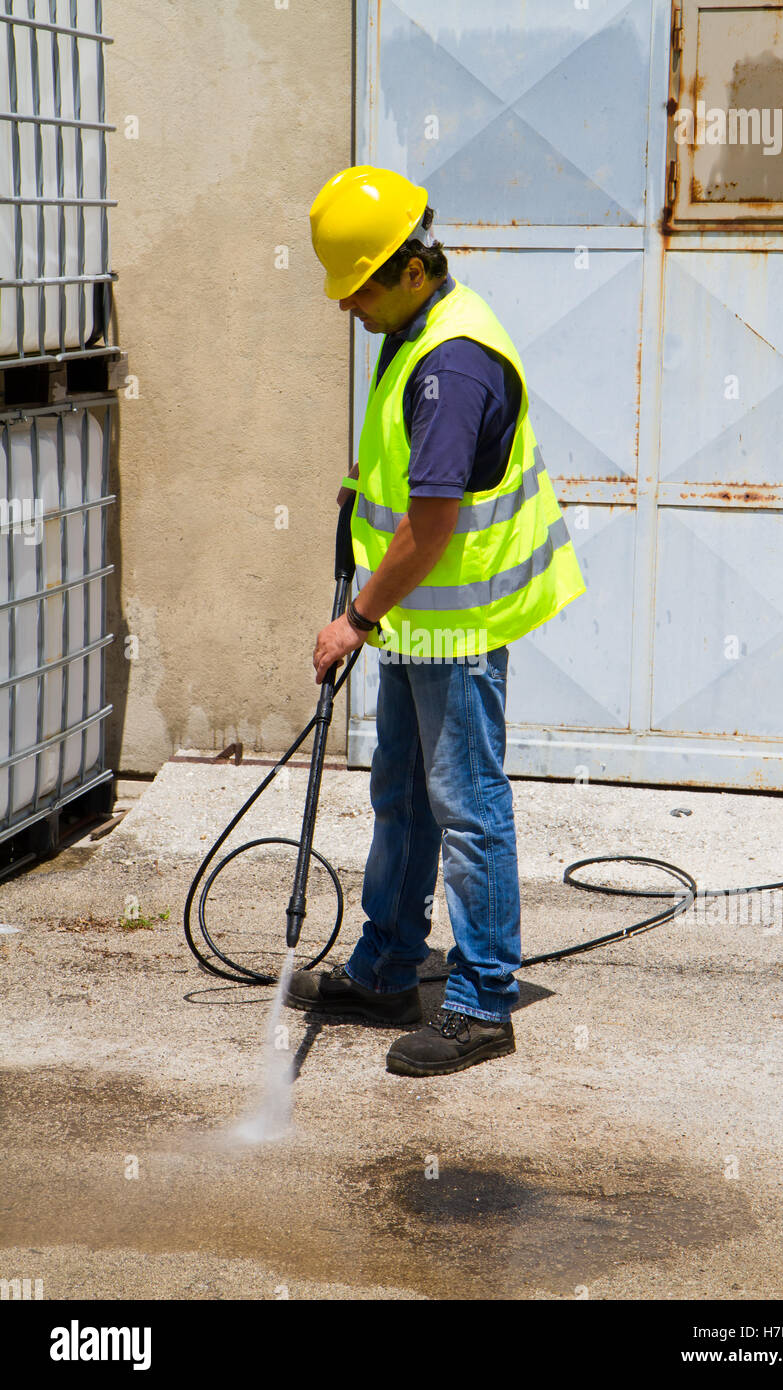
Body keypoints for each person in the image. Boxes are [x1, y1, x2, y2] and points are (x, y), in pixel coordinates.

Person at [286, 165, 585, 1076]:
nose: (348, 307)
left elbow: (432, 524)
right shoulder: (411, 328)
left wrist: (354, 620)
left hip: (450, 625)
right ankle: (386, 969)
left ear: (412, 268)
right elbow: (405, 484)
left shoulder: (452, 363)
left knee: (466, 807)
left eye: (358, 287)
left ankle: (483, 1000)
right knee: (401, 796)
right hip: (415, 620)